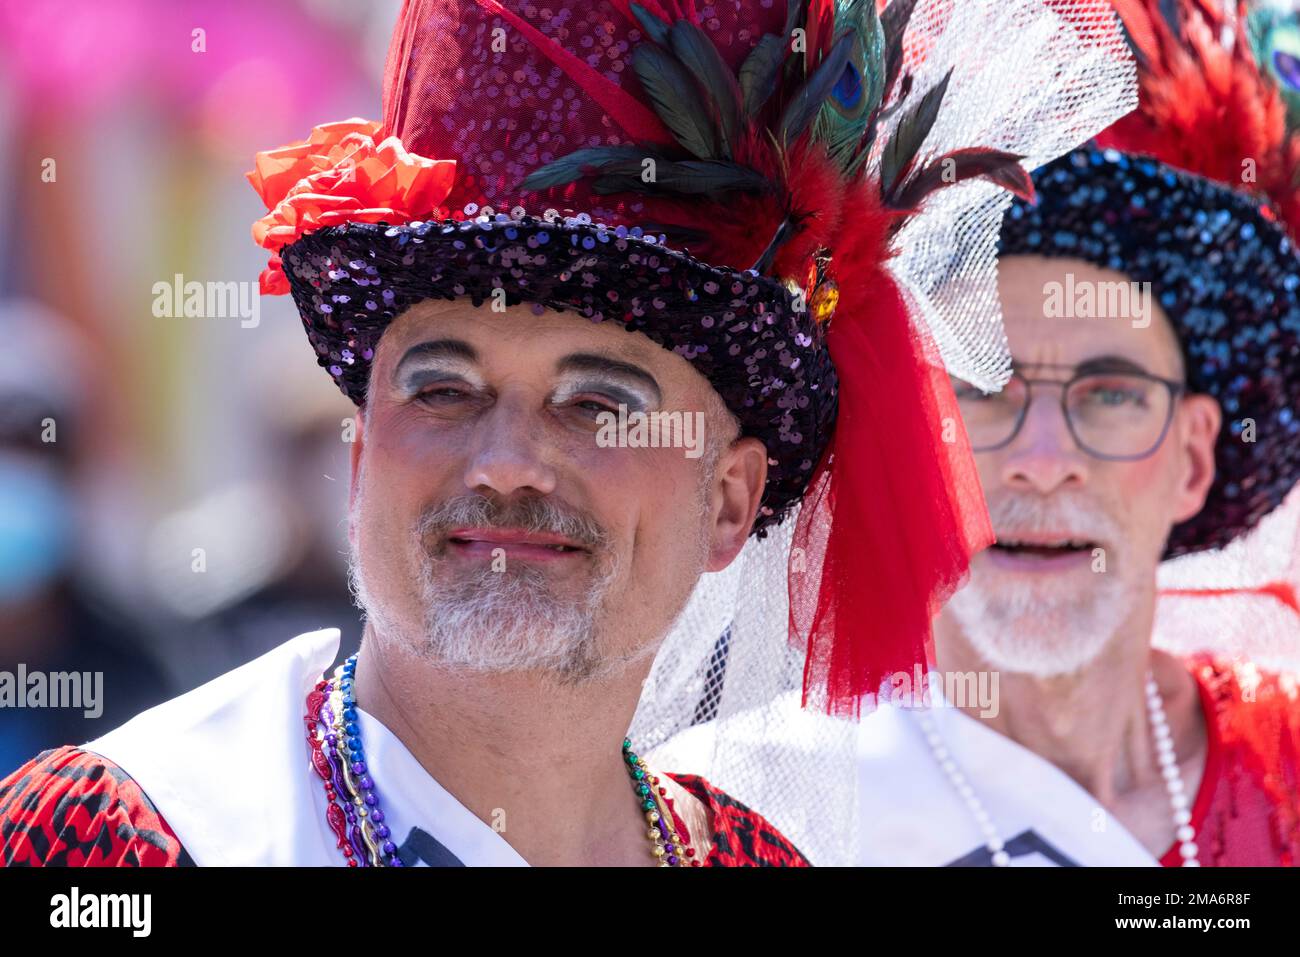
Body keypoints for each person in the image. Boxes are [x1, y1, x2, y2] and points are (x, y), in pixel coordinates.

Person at [0, 0, 1132, 866]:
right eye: (442, 391)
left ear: (730, 503)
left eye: (600, 403)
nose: (502, 463)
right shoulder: (134, 838)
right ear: (357, 458)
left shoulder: (748, 858)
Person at [853, 0, 1300, 867]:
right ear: (905, 439)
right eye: (981, 388)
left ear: (1194, 458)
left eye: (1109, 395)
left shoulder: (1285, 771)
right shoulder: (762, 816)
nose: (1045, 462)